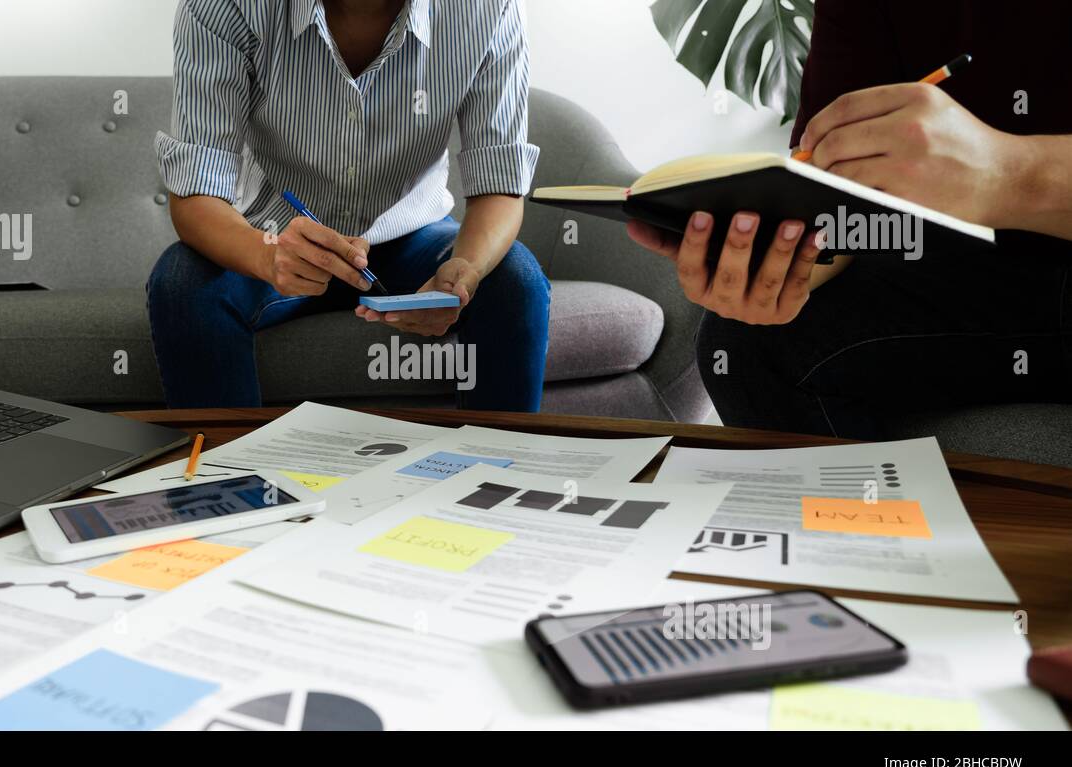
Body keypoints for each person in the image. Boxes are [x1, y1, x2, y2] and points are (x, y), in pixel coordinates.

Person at [626, 0, 1072, 439]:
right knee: (743, 343)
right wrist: (779, 264)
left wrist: (1008, 175)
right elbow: (839, 201)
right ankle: (870, 511)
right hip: (983, 271)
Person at [148, 0, 549, 410]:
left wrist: (468, 269)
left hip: (412, 236)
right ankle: (225, 468)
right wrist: (268, 257)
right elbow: (196, 193)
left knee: (514, 278)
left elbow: (500, 185)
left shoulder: (487, 10)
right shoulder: (224, 6)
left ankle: (496, 467)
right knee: (182, 280)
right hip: (273, 236)